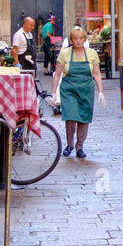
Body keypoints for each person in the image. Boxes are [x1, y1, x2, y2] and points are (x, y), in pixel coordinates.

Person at [51, 25, 105, 159]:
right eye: (75, 38)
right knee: (70, 116)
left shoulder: (92, 54)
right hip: (69, 89)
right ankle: (69, 144)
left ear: (85, 39)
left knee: (84, 117)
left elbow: (97, 74)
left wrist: (100, 92)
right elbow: (57, 74)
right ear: (71, 40)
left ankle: (79, 146)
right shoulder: (64, 54)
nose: (78, 41)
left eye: (81, 38)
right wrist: (53, 93)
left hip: (86, 89)